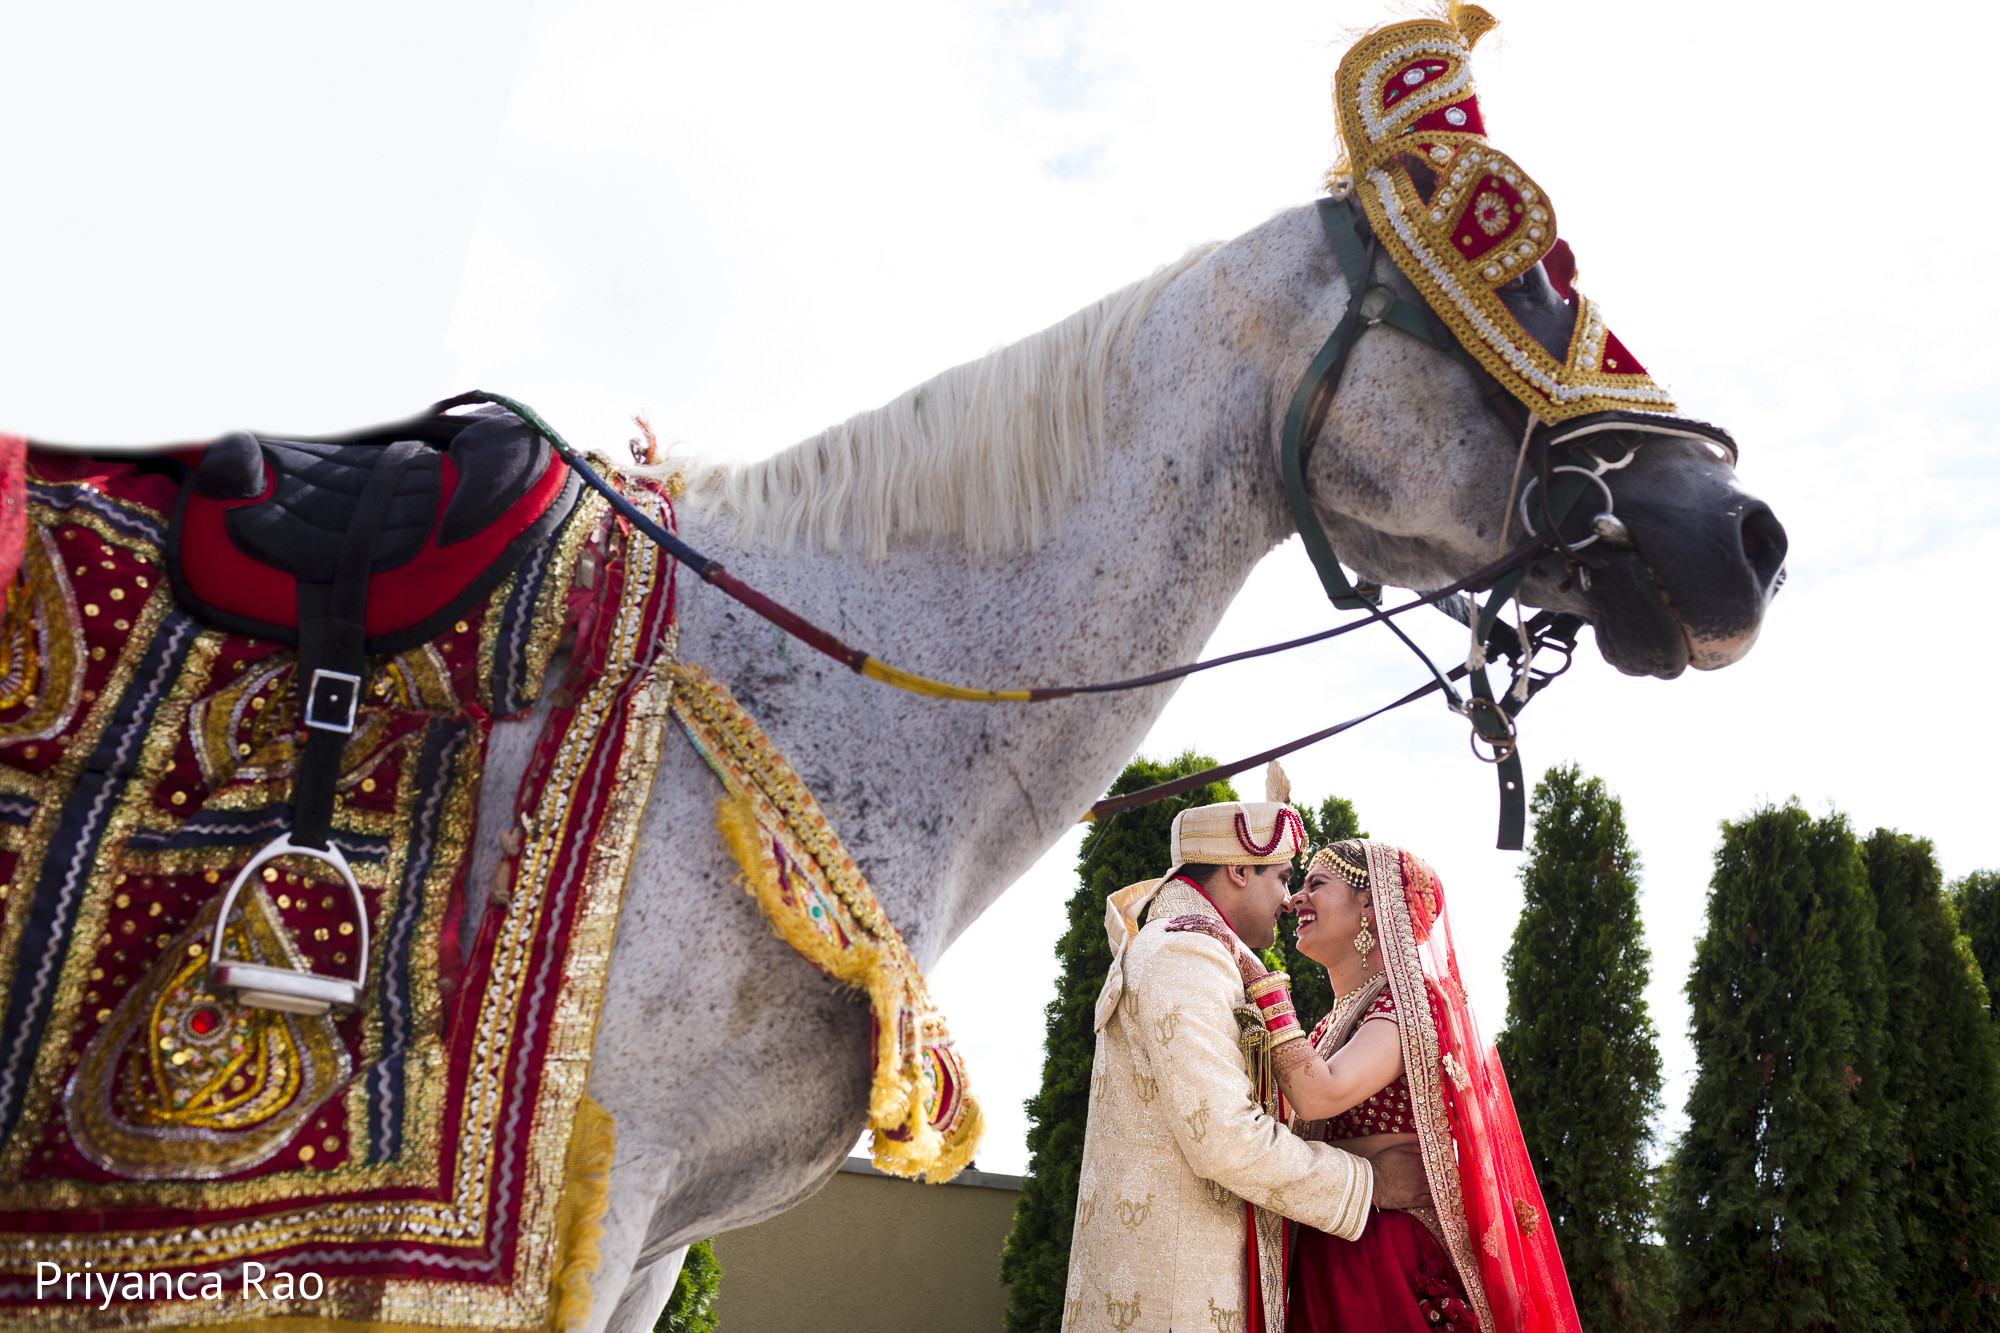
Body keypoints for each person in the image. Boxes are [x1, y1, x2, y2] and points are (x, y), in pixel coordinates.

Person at [1172, 839, 1582, 1333]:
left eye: (1316, 884)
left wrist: (1257, 975)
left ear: (1370, 904)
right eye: (1299, 885)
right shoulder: (1330, 1026)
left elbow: (1318, 1094)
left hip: (1383, 1258)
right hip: (1337, 1239)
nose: (1296, 899)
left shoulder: (1410, 1003)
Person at [1063, 785, 1432, 1333]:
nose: (1290, 899)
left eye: (1308, 883)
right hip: (1176, 1297)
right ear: (1239, 871)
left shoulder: (1195, 950)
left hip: (1353, 1264)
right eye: (1284, 878)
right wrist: (1370, 1182)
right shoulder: (1185, 952)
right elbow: (1228, 1138)